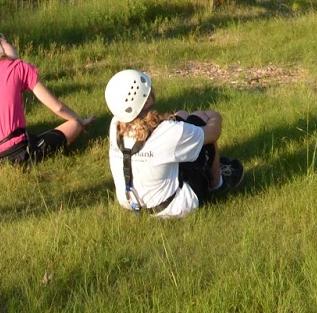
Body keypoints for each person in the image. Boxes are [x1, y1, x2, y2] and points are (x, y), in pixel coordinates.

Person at [104, 69, 243, 217]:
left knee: (182, 115)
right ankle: (219, 183)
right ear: (146, 100)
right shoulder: (167, 133)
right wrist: (215, 116)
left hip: (130, 202)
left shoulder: (115, 125)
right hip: (172, 206)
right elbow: (213, 133)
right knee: (201, 120)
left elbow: (171, 124)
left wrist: (179, 118)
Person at [0, 31, 90, 164]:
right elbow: (58, 107)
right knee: (74, 125)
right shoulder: (19, 67)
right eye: (7, 42)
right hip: (14, 153)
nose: (13, 45)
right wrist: (80, 120)